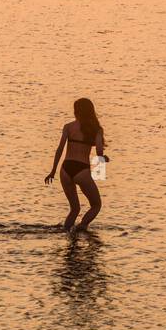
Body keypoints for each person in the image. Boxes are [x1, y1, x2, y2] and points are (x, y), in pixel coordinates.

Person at [45, 98, 108, 232]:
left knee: (74, 209)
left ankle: (67, 232)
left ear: (76, 111)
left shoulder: (68, 126)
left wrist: (53, 171)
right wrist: (103, 161)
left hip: (65, 169)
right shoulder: (96, 129)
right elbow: (99, 152)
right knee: (96, 205)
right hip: (82, 170)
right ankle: (82, 227)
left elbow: (60, 149)